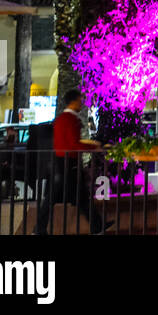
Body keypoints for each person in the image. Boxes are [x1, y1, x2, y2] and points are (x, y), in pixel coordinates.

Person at [35, 89, 105, 235]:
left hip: (61, 161)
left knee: (62, 197)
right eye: (80, 100)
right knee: (78, 196)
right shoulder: (71, 120)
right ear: (73, 102)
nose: (82, 103)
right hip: (69, 162)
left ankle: (97, 225)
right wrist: (94, 147)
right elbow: (74, 144)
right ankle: (97, 226)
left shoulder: (62, 119)